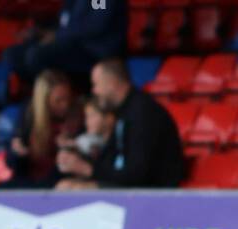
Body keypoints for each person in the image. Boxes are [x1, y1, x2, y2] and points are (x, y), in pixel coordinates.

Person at [56, 59, 184, 190]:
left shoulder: (143, 112)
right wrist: (80, 159)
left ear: (112, 83)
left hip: (154, 193)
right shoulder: (125, 111)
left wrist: (86, 169)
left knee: (69, 188)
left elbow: (137, 174)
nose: (95, 91)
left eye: (96, 84)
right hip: (132, 187)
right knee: (65, 185)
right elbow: (112, 162)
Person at [7, 1, 128, 83]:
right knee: (12, 54)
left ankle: (53, 98)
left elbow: (96, 25)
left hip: (94, 51)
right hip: (71, 43)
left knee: (36, 55)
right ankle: (34, 99)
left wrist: (58, 35)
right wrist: (42, 32)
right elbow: (65, 21)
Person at [2, 70, 78, 189]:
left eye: (67, 99)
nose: (65, 105)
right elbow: (12, 163)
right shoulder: (28, 115)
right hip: (30, 181)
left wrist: (69, 147)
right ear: (44, 101)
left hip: (59, 182)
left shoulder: (76, 117)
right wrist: (17, 153)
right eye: (58, 101)